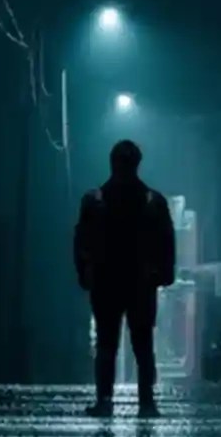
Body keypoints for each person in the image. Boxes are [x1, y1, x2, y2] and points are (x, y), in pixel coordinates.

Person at [74, 139, 175, 417]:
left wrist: (84, 273)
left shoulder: (95, 201)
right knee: (142, 345)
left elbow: (82, 241)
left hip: (107, 281)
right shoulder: (152, 201)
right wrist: (164, 274)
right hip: (140, 282)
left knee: (107, 343)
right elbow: (166, 242)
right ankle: (146, 402)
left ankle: (106, 399)